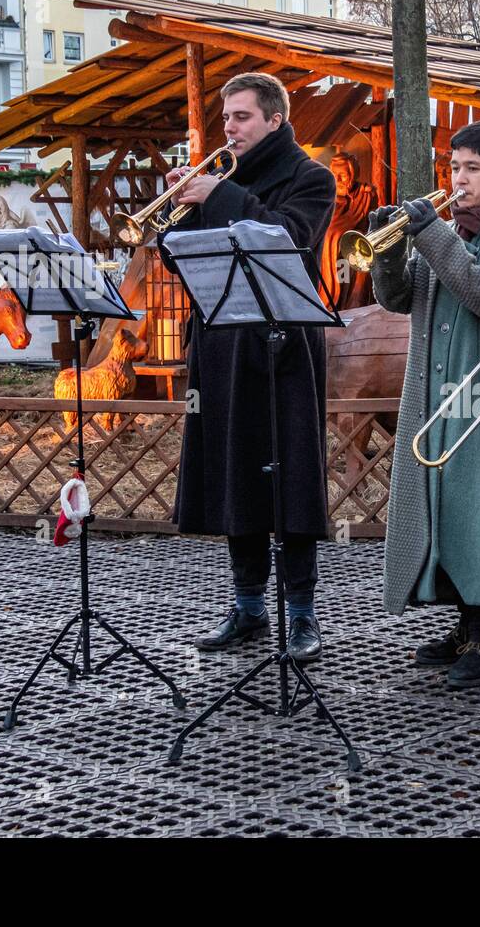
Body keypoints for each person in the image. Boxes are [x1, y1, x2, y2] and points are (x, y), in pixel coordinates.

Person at [157, 72, 336, 659]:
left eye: (241, 118)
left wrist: (217, 197)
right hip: (222, 344)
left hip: (284, 346)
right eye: (226, 119)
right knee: (235, 472)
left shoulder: (311, 177)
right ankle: (248, 607)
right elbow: (180, 260)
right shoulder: (221, 178)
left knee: (291, 477)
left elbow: (292, 239)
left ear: (275, 121)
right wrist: (175, 214)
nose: (229, 130)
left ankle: (304, 614)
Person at [370, 119, 480, 689]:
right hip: (431, 394)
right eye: (455, 168)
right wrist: (390, 250)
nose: (460, 179)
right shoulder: (446, 233)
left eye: (473, 169)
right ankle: (463, 624)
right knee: (441, 508)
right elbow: (397, 298)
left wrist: (430, 237)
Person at [319, 152, 378, 311]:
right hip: (331, 258)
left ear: (353, 175)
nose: (337, 179)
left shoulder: (364, 195)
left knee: (354, 268)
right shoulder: (327, 198)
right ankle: (334, 301)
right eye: (334, 174)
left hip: (354, 252)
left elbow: (372, 224)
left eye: (342, 175)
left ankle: (349, 303)